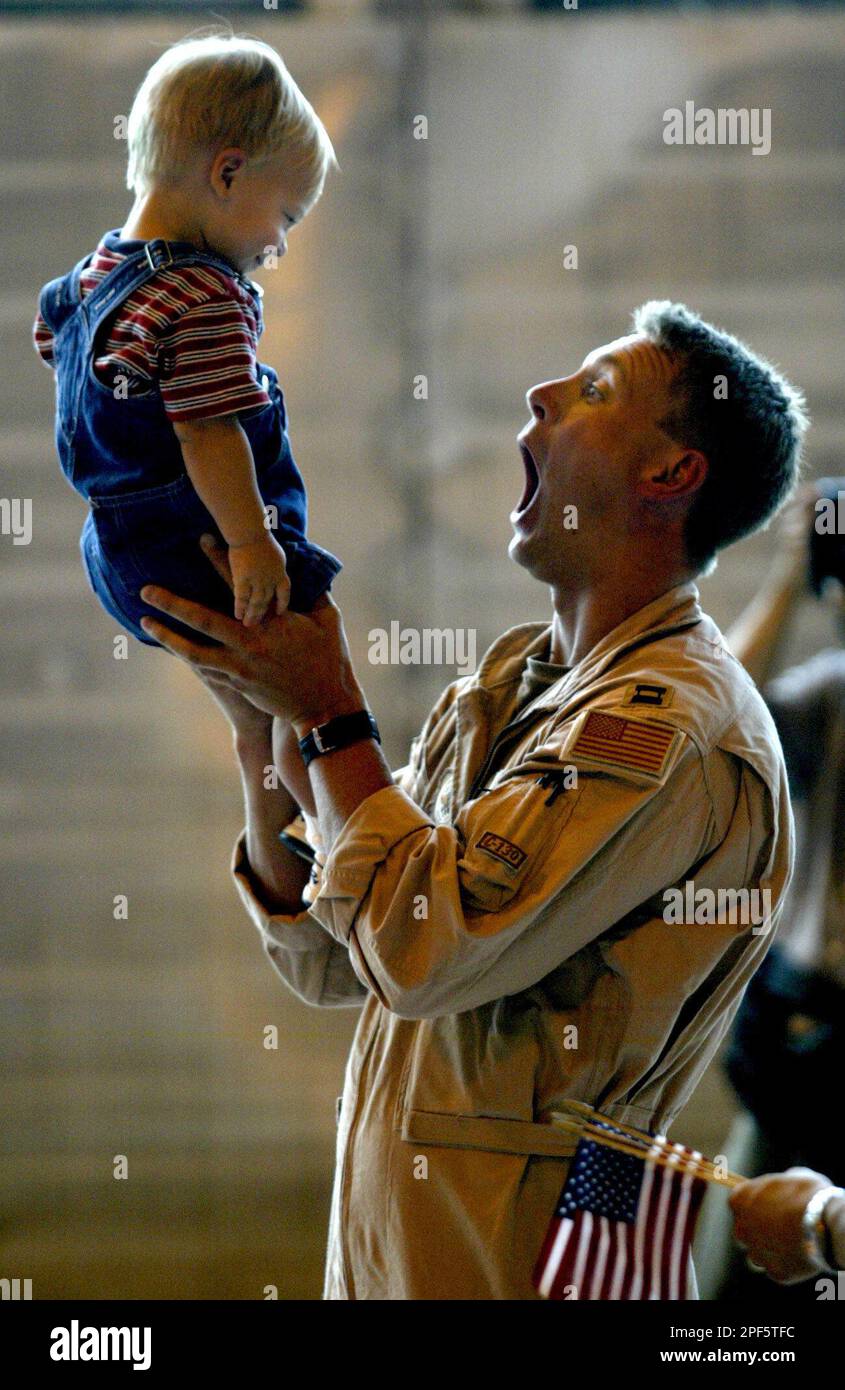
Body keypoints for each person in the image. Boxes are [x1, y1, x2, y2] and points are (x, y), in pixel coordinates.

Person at [141, 301, 806, 1300]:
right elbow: (337, 952)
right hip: (399, 1255)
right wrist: (260, 735)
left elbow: (420, 945)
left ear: (670, 476)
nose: (538, 396)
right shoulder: (511, 688)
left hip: (513, 1266)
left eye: (593, 392)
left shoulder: (664, 726)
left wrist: (330, 712)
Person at [33, 32, 341, 817]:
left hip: (121, 558)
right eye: (284, 216)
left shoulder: (87, 280)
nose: (276, 245)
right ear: (228, 172)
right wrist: (252, 545)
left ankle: (276, 827)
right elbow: (207, 430)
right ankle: (346, 841)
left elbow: (53, 344)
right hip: (204, 542)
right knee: (309, 696)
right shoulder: (202, 297)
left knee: (253, 715)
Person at [718, 483, 845, 1297]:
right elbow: (716, 718)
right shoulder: (831, 692)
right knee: (741, 1273)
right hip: (813, 1022)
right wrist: (792, 572)